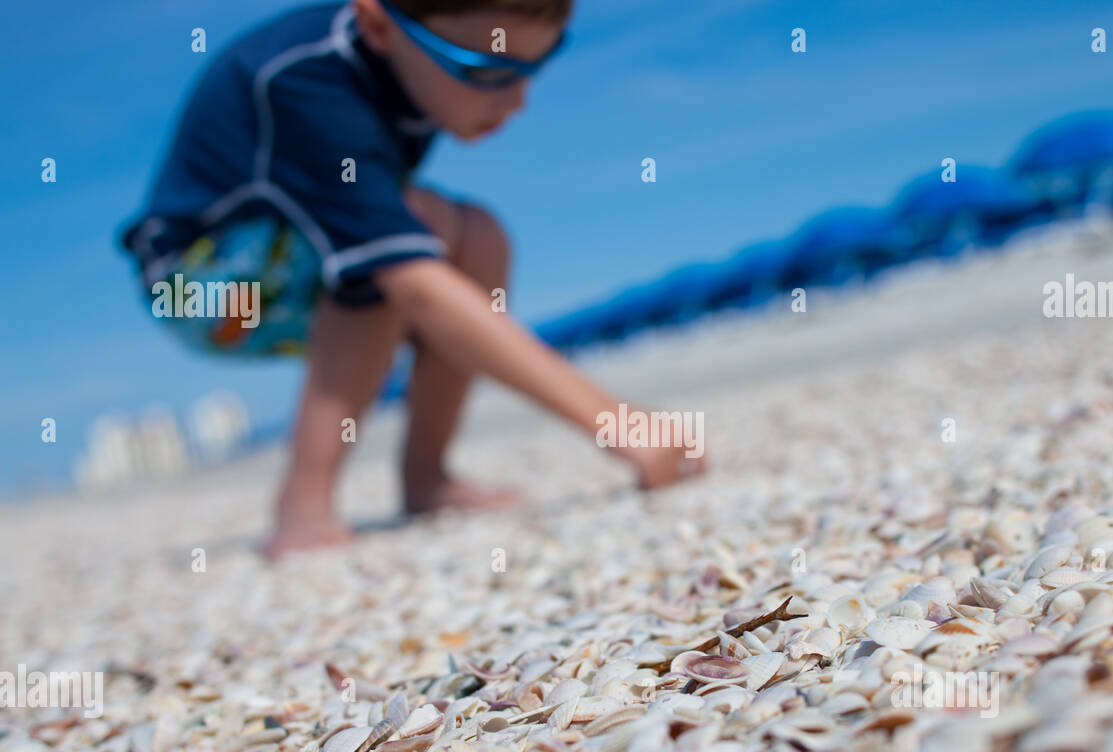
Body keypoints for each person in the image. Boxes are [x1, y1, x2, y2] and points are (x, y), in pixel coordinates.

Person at [122, 0, 703, 558]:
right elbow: (412, 282)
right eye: (490, 69)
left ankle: (427, 479)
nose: (519, 98)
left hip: (277, 265)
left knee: (477, 236)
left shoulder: (405, 59)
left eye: (536, 66)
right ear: (377, 25)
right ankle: (304, 504)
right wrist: (617, 422)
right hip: (193, 287)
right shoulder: (306, 78)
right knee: (392, 247)